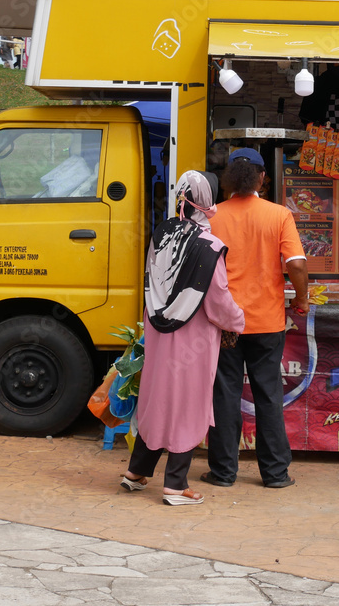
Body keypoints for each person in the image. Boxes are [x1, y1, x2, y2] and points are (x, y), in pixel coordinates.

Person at [121, 170, 244, 506]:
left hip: (159, 332)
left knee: (158, 398)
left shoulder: (163, 233)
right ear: (208, 201)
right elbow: (217, 299)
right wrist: (238, 320)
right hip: (194, 338)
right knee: (188, 404)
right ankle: (175, 485)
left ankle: (136, 472)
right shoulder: (210, 245)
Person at [202, 148, 309, 489]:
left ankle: (222, 472)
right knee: (268, 396)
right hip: (267, 323)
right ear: (263, 177)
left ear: (229, 178)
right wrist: (302, 300)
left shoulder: (212, 215)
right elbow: (296, 264)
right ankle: (275, 474)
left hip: (224, 323)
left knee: (225, 394)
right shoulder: (279, 215)